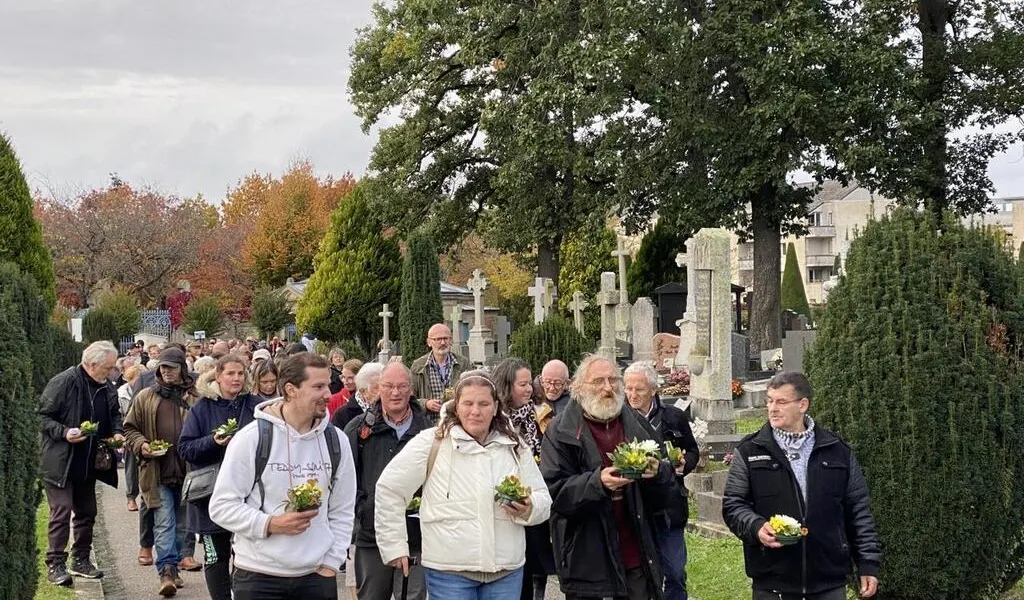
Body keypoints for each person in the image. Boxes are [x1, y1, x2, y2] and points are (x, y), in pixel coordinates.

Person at [375, 371, 552, 599]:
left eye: (484, 403)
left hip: (506, 571)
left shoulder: (514, 447)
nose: (475, 411)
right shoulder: (432, 442)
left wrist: (529, 508)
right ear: (456, 406)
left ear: (496, 407)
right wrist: (395, 546)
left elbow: (543, 499)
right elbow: (390, 489)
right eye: (468, 403)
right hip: (449, 573)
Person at [209, 353, 356, 600]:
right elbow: (221, 506)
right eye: (318, 387)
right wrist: (270, 524)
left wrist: (332, 563)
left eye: (328, 385)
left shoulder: (336, 441)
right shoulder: (252, 438)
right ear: (291, 389)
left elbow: (343, 509)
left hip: (316, 577)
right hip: (257, 576)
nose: (328, 395)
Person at [722, 371, 881, 600]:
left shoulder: (837, 451)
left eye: (781, 402)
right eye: (769, 400)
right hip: (773, 582)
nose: (772, 408)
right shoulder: (750, 451)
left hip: (828, 582)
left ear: (802, 405)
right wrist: (756, 526)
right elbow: (733, 505)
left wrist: (867, 564)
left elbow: (858, 510)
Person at [541, 355, 678, 600]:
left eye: (613, 380)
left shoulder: (636, 424)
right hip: (587, 555)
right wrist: (598, 483)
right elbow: (554, 493)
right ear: (579, 387)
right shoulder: (561, 430)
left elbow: (667, 489)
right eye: (598, 381)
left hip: (635, 550)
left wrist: (656, 474)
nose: (608, 387)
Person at [39, 341, 124, 586]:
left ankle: (81, 560)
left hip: (88, 461)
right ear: (91, 364)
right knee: (62, 510)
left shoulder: (106, 385)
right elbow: (42, 416)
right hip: (60, 460)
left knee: (87, 512)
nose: (111, 373)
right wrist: (64, 432)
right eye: (107, 368)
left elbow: (114, 413)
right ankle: (55, 564)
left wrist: (117, 432)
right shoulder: (64, 382)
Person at [342, 362, 429, 600]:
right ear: (378, 388)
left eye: (402, 386)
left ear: (411, 389)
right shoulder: (359, 428)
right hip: (371, 534)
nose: (395, 392)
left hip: (416, 535)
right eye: (389, 386)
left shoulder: (428, 430)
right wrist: (362, 509)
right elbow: (346, 479)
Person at [178, 355, 261, 600]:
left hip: (250, 493)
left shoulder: (255, 405)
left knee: (248, 557)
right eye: (230, 374)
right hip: (211, 497)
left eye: (240, 373)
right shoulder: (201, 408)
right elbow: (185, 448)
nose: (236, 378)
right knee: (216, 557)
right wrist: (213, 441)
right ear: (218, 376)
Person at [124, 347, 198, 596]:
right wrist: (142, 445)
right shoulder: (146, 396)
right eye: (163, 367)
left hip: (188, 473)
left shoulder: (195, 397)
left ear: (182, 369)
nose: (166, 371)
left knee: (182, 524)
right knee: (164, 522)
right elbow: (130, 428)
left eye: (171, 367)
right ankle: (166, 570)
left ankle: (174, 567)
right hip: (157, 471)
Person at [623, 362, 700, 600]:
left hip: (669, 506)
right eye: (628, 389)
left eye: (639, 389)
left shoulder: (674, 417)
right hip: (633, 506)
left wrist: (683, 464)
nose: (633, 395)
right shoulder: (618, 419)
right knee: (640, 574)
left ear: (654, 390)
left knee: (675, 572)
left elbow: (692, 451)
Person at [492, 358, 556, 600]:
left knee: (533, 560)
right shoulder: (495, 418)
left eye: (530, 383)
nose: (529, 389)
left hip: (534, 497)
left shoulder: (540, 413)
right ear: (507, 386)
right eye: (523, 384)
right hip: (505, 502)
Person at [411, 323, 470, 426]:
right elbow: (410, 398)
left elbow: (471, 391)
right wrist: (426, 404)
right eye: (437, 339)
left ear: (451, 340)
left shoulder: (463, 363)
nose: (442, 343)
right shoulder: (418, 366)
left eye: (445, 338)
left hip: (457, 423)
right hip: (428, 425)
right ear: (429, 342)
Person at [119, 363, 146, 513]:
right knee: (131, 466)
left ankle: (146, 496)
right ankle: (131, 496)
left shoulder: (148, 391)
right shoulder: (122, 394)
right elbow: (120, 415)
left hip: (147, 432)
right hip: (129, 432)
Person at [330, 361, 379, 430]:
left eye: (350, 378)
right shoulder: (341, 411)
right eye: (343, 377)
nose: (345, 381)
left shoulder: (386, 408)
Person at [536, 360, 571, 433]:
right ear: (541, 380)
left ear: (567, 384)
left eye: (557, 384)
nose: (552, 388)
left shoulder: (573, 403)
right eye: (548, 382)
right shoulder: (531, 398)